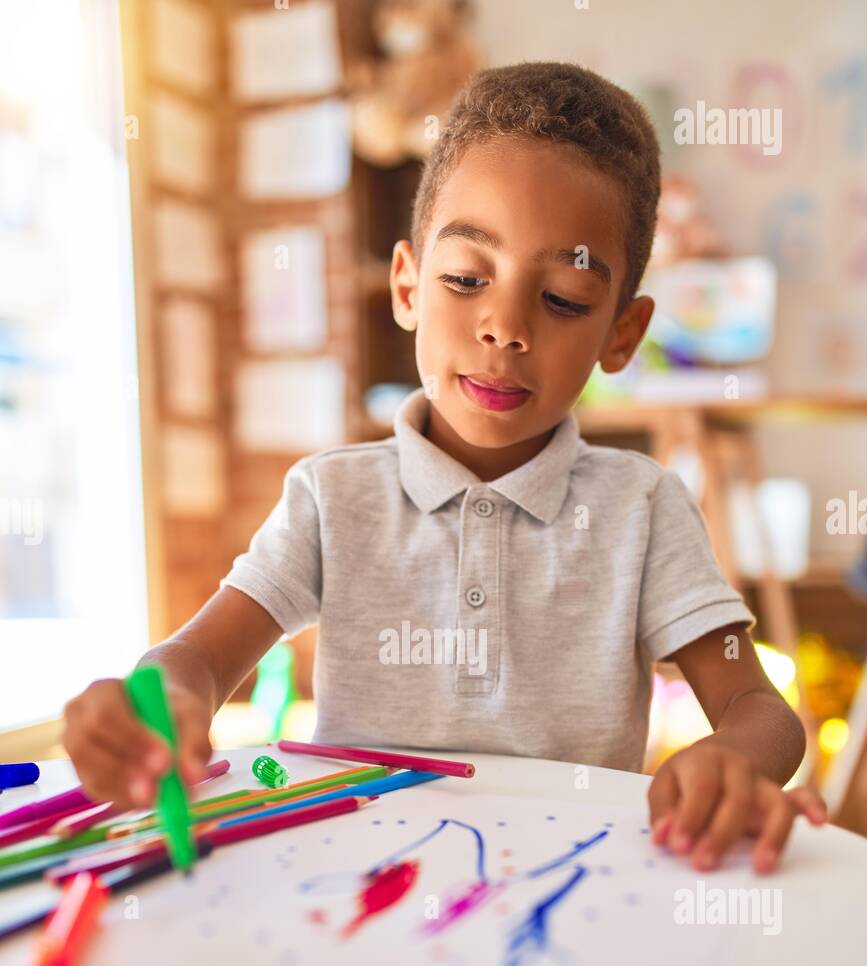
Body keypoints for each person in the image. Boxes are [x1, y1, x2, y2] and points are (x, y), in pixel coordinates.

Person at [62, 61, 826, 872]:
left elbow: (755, 706)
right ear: (407, 286)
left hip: (571, 886)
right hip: (361, 889)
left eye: (563, 297)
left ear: (621, 335)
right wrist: (165, 703)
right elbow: (196, 657)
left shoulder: (643, 506)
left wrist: (732, 759)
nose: (503, 327)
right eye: (465, 279)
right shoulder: (331, 496)